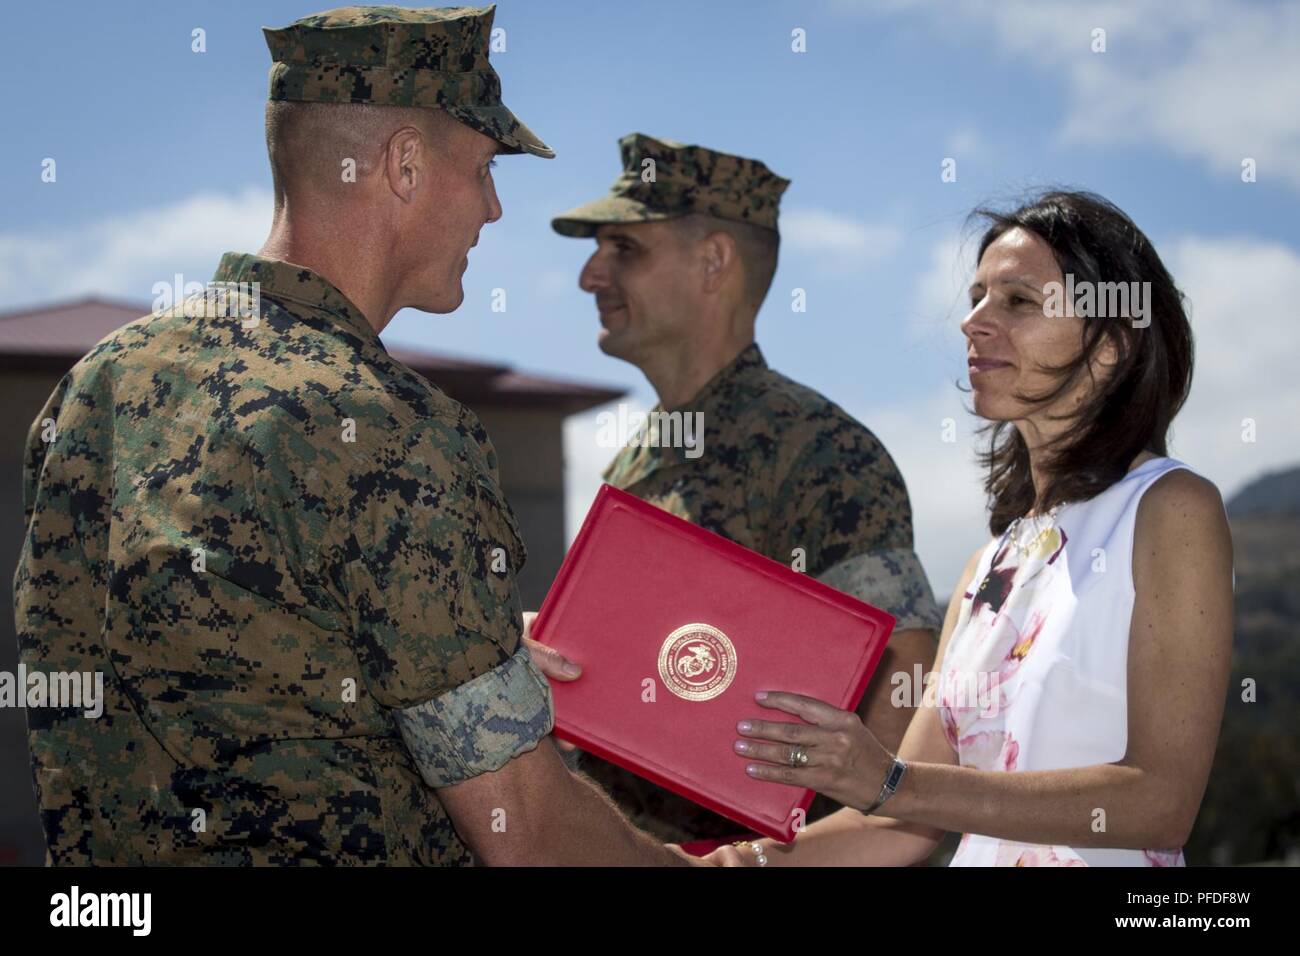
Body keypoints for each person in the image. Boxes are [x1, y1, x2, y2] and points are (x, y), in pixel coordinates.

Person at [13, 4, 689, 867]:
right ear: (404, 163)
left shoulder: (101, 383)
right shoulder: (383, 424)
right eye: (484, 167)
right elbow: (529, 832)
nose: (493, 207)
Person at [711, 191, 1233, 866]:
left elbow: (1161, 803)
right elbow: (895, 825)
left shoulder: (1172, 507)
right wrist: (716, 863)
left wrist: (892, 782)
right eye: (977, 296)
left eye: (1018, 301)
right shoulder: (986, 566)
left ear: (1111, 344)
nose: (973, 321)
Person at [541, 133, 943, 846]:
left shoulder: (820, 451)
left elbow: (897, 755)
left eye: (624, 249)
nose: (590, 276)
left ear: (713, 263)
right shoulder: (638, 458)